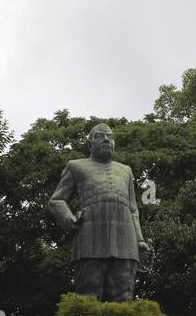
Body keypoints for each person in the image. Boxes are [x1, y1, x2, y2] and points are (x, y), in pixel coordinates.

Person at [48, 122, 151, 301]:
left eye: (110, 137)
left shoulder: (126, 171)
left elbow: (133, 209)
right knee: (89, 295)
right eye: (100, 136)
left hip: (125, 240)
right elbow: (56, 200)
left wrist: (140, 240)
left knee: (124, 295)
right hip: (90, 237)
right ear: (89, 144)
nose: (106, 140)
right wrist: (70, 219)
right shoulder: (76, 166)